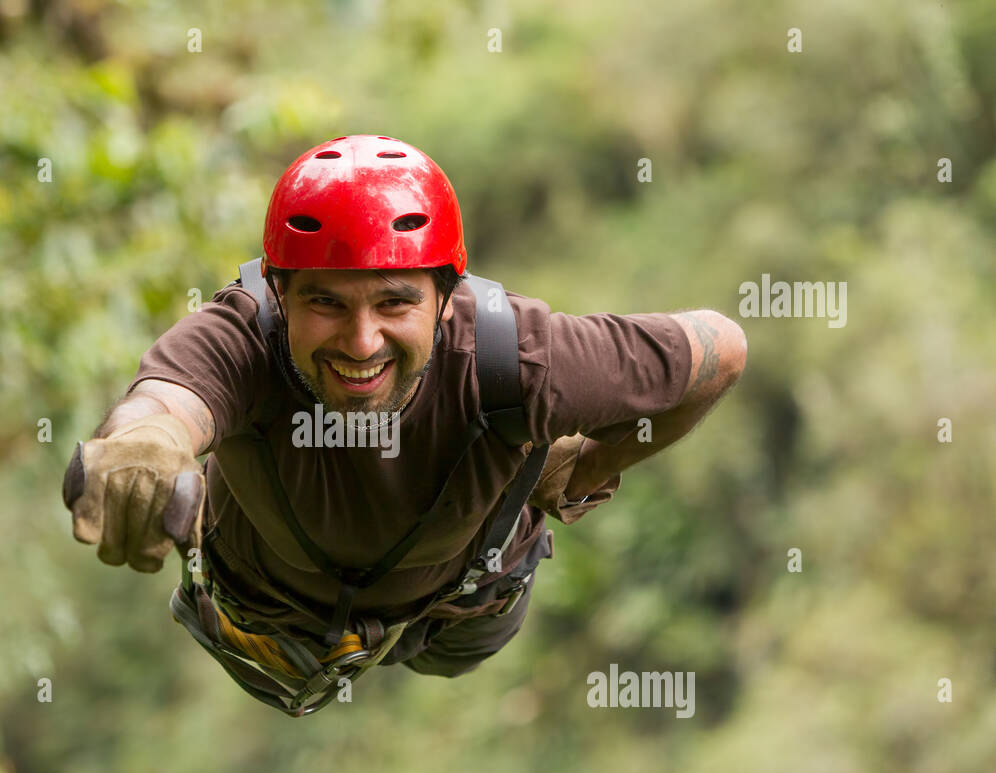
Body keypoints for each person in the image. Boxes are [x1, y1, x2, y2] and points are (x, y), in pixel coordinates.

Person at [62, 133, 746, 716]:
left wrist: (586, 470)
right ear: (278, 294)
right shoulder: (243, 338)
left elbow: (720, 348)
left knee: (454, 658)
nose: (361, 343)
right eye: (325, 303)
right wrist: (145, 443)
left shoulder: (520, 360)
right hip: (268, 616)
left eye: (395, 303)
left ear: (448, 299)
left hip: (465, 607)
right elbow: (168, 401)